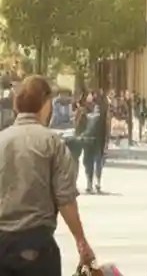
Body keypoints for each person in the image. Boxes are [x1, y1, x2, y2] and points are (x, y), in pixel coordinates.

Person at [0, 76, 96, 274]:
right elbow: (65, 198)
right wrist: (81, 241)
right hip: (37, 246)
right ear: (45, 105)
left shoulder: (1, 140)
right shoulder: (52, 142)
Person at [78, 93, 107, 194]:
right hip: (90, 141)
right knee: (89, 163)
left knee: (94, 162)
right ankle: (91, 183)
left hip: (94, 141)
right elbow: (80, 127)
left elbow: (104, 130)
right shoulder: (84, 113)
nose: (92, 105)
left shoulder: (99, 115)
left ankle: (94, 183)